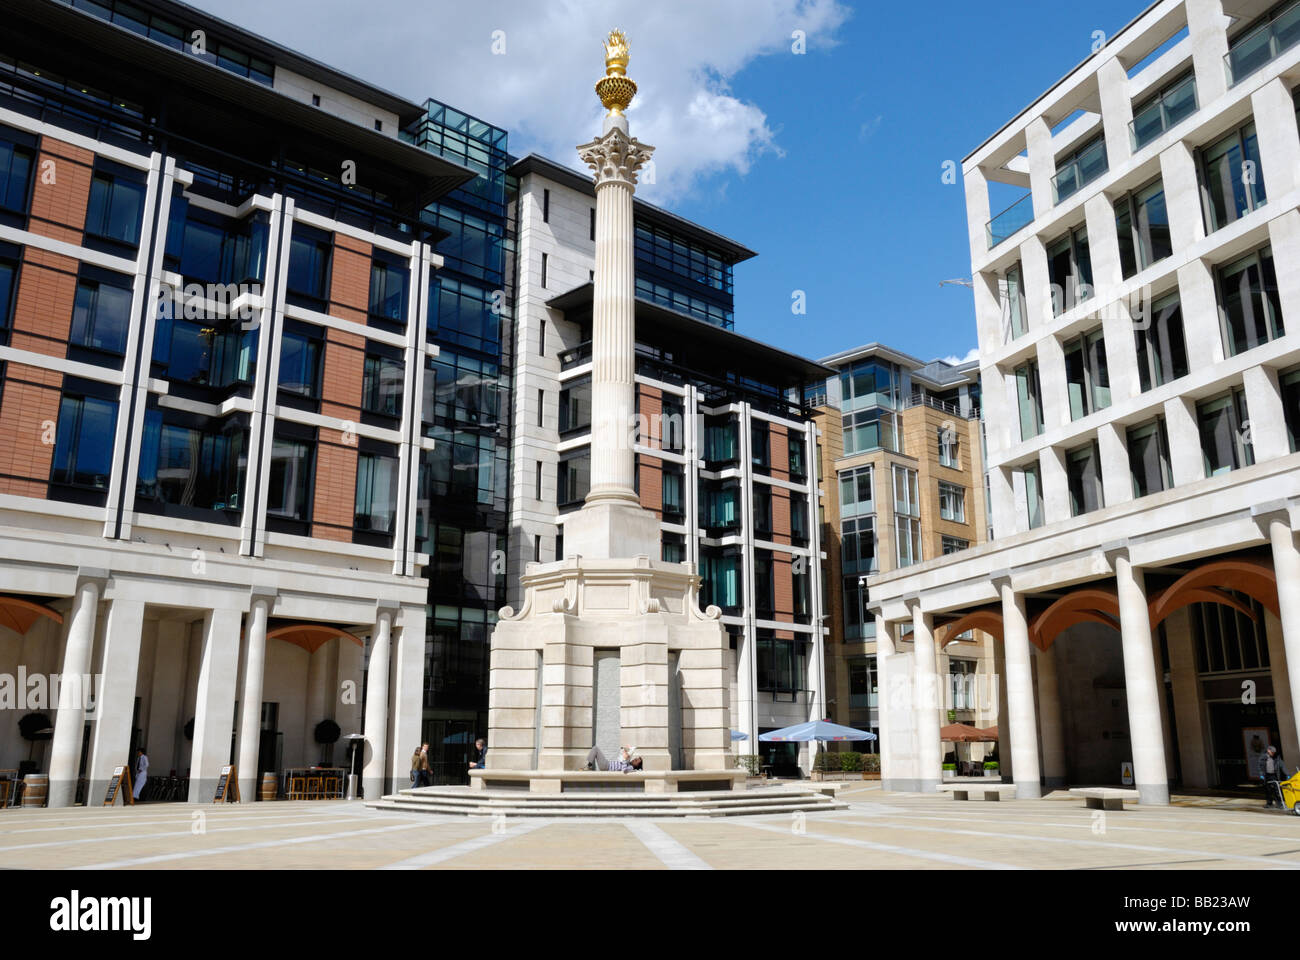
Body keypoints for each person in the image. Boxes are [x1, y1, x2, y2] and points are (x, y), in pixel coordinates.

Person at [1260, 744, 1289, 808]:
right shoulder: (1263, 757)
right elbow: (1261, 766)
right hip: (1267, 775)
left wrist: (1287, 774)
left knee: (1277, 789)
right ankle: (1269, 803)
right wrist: (1261, 774)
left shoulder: (1277, 757)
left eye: (1274, 752)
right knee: (1268, 790)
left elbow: (1282, 766)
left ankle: (1279, 804)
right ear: (1268, 750)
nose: (1273, 753)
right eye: (1272, 752)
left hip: (1274, 775)